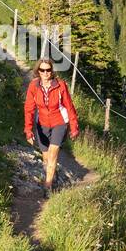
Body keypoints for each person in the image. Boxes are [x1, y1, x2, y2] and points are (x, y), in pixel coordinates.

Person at [24, 57, 79, 197]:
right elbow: (29, 108)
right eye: (42, 70)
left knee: (53, 153)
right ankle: (53, 176)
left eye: (48, 70)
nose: (45, 73)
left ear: (52, 71)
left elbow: (69, 107)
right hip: (41, 124)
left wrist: (74, 127)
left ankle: (47, 187)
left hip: (59, 122)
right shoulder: (34, 86)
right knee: (46, 157)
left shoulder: (60, 85)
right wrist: (28, 130)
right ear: (38, 71)